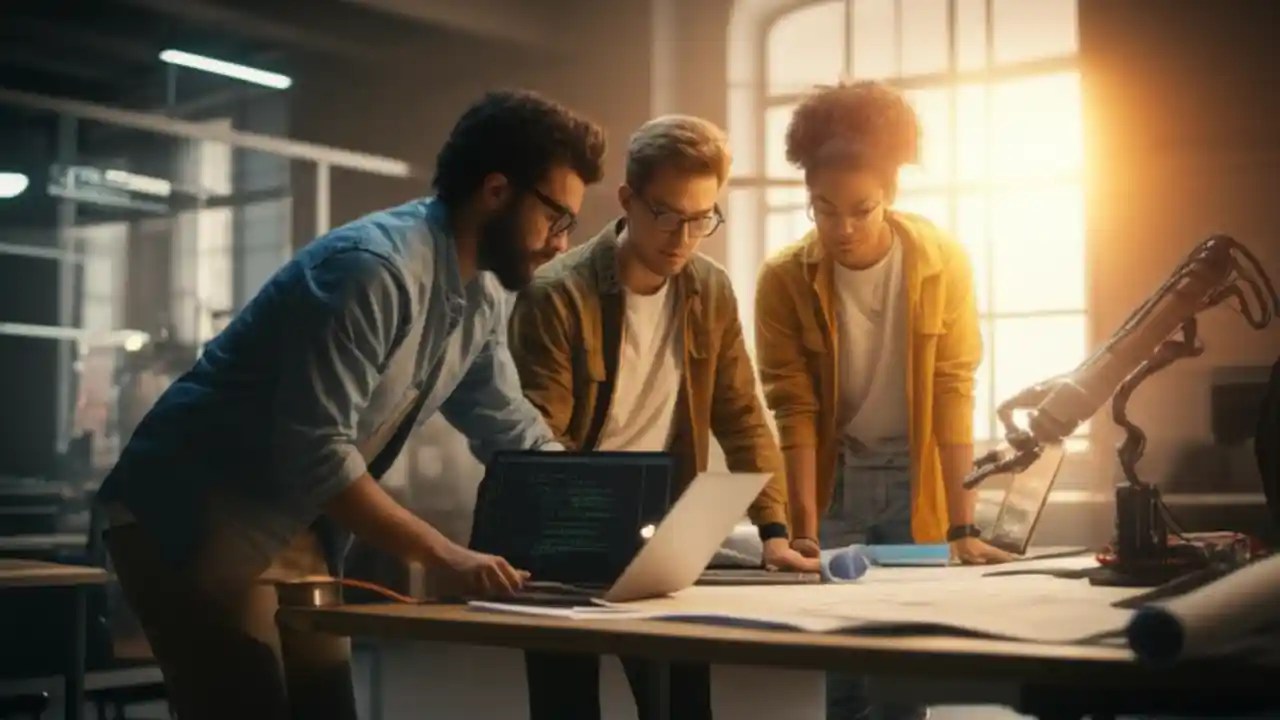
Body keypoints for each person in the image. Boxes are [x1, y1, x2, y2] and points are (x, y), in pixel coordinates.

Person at [94, 89, 607, 720]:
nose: (561, 244)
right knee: (247, 705)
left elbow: (510, 425)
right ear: (497, 191)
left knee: (325, 707)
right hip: (195, 512)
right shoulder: (372, 270)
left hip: (295, 517)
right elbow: (316, 450)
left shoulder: (483, 293)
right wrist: (443, 553)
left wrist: (599, 513)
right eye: (557, 218)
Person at [509, 114, 819, 720]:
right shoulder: (557, 293)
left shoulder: (710, 288)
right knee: (566, 707)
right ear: (628, 200)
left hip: (663, 529)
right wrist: (588, 529)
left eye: (702, 218)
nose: (683, 236)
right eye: (667, 214)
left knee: (681, 705)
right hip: (565, 528)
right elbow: (541, 437)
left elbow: (742, 415)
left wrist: (775, 532)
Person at [753, 81, 1014, 720]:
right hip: (834, 481)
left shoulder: (940, 261)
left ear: (891, 197)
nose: (842, 228)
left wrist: (962, 524)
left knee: (904, 669)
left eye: (861, 209)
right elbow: (794, 409)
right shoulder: (784, 277)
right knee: (841, 669)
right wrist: (806, 531)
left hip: (916, 477)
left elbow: (955, 386)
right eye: (823, 208)